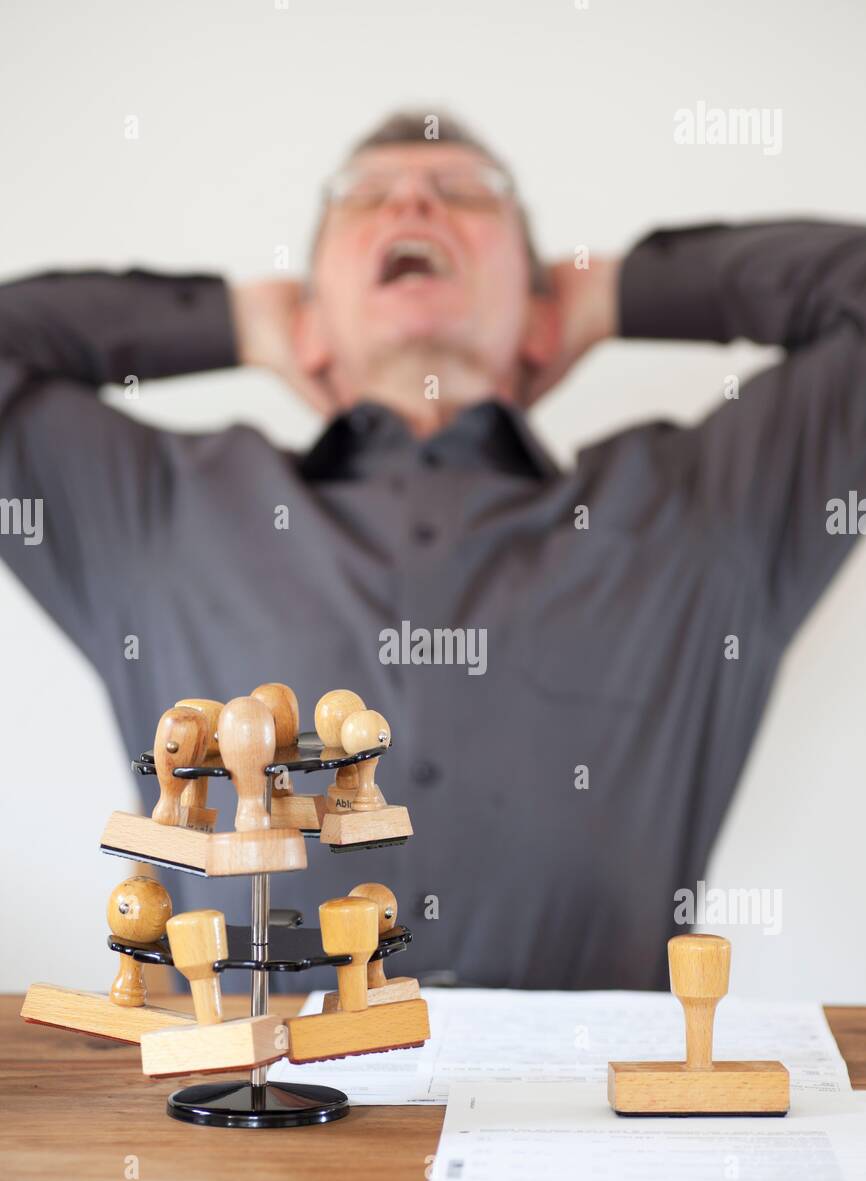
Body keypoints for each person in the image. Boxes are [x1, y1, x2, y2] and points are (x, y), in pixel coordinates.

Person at [1, 110, 864, 992]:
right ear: (312, 325)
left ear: (539, 315)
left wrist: (610, 293)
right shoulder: (157, 511)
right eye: (364, 197)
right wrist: (241, 320)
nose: (413, 199)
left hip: (587, 1123)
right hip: (233, 1116)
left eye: (466, 195)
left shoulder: (704, 512)